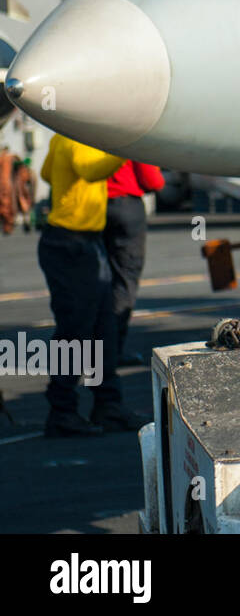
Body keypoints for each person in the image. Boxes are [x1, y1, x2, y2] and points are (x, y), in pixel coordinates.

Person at [39, 135, 150, 437]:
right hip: (71, 245)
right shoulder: (79, 135)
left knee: (104, 326)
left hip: (83, 243)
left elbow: (46, 173)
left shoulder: (62, 136)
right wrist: (125, 145)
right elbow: (90, 170)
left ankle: (107, 404)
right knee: (75, 329)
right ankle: (62, 409)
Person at [104, 160, 166, 366]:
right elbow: (152, 180)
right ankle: (113, 350)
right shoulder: (126, 137)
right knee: (125, 280)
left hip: (95, 208)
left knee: (100, 278)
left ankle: (95, 348)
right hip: (126, 205)